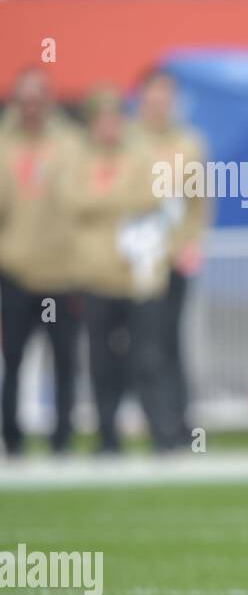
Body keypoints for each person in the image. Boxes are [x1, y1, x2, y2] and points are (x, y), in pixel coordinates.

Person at [69, 86, 176, 454]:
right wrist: (116, 201)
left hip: (138, 280)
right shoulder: (76, 158)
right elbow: (70, 200)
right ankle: (107, 438)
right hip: (96, 277)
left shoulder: (141, 154)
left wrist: (100, 202)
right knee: (101, 362)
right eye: (101, 120)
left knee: (148, 358)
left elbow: (150, 196)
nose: (108, 128)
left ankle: (163, 436)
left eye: (114, 119)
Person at [0, 67, 81, 456]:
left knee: (65, 361)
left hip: (62, 275)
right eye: (24, 99)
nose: (31, 108)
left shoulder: (69, 144)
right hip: (15, 272)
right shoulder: (3, 143)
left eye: (38, 99)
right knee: (11, 362)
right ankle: (11, 441)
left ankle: (61, 440)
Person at [131, 68, 209, 450]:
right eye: (153, 97)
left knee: (170, 343)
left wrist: (190, 243)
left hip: (173, 259)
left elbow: (198, 203)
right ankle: (159, 428)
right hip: (133, 260)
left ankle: (177, 428)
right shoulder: (128, 142)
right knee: (144, 346)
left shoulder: (188, 144)